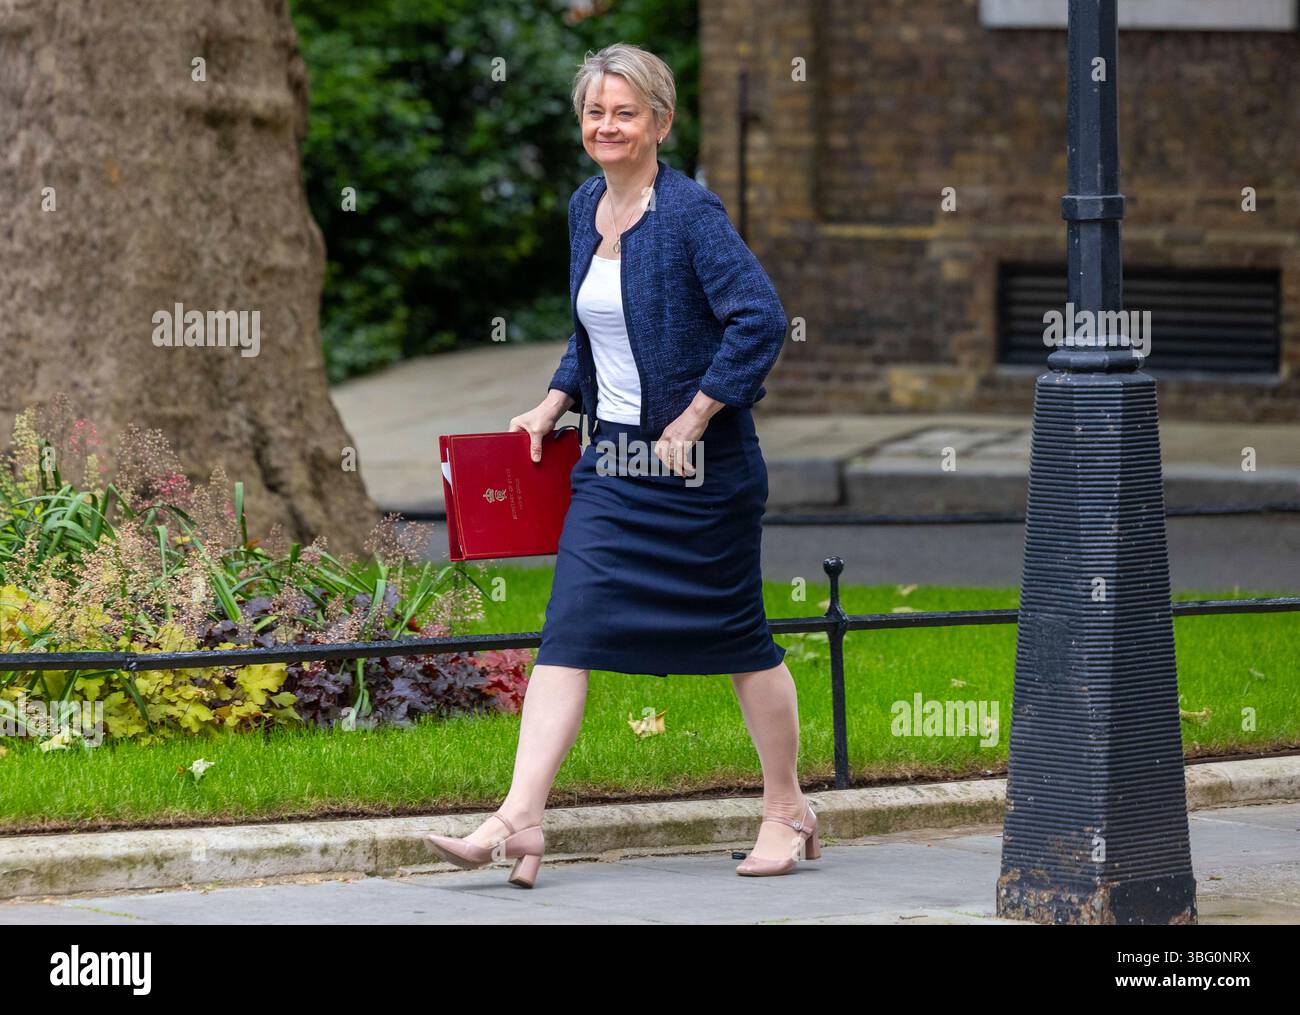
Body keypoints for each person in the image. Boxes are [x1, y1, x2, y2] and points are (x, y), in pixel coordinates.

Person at [426, 43, 818, 888]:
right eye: (594, 113)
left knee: (742, 642)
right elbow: (591, 331)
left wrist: (699, 409)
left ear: (660, 122)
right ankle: (519, 817)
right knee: (567, 631)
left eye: (624, 113)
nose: (606, 126)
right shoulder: (584, 208)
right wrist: (553, 401)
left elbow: (759, 317)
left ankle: (786, 806)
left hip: (701, 475)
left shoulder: (690, 216)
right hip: (612, 464)